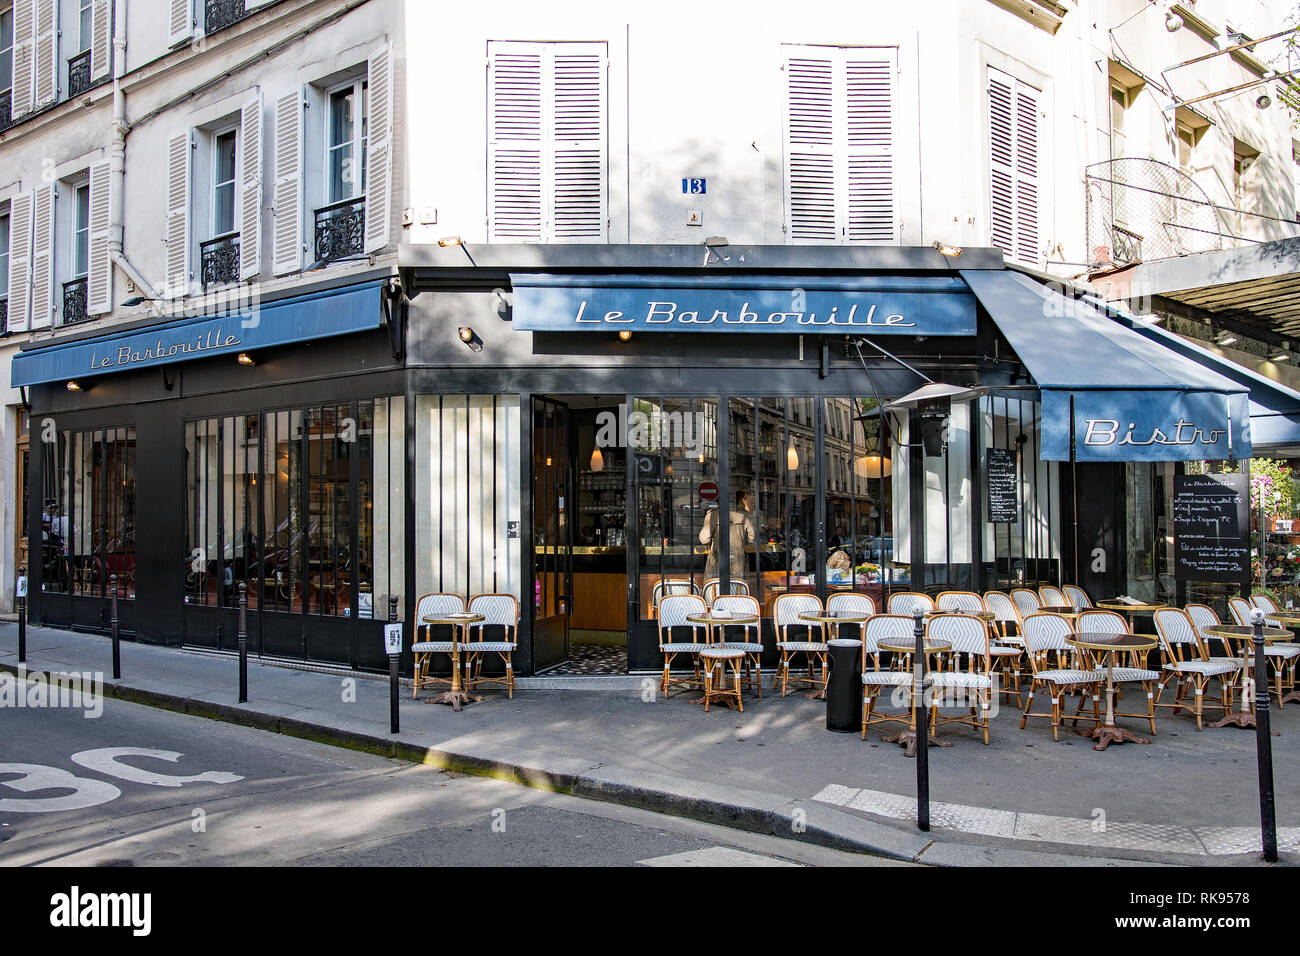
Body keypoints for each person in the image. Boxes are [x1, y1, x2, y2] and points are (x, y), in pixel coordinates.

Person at [699, 489, 757, 579]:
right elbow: (751, 537)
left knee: (717, 587)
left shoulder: (713, 514)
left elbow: (704, 539)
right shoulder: (742, 514)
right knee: (737, 587)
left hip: (718, 559)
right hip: (738, 559)